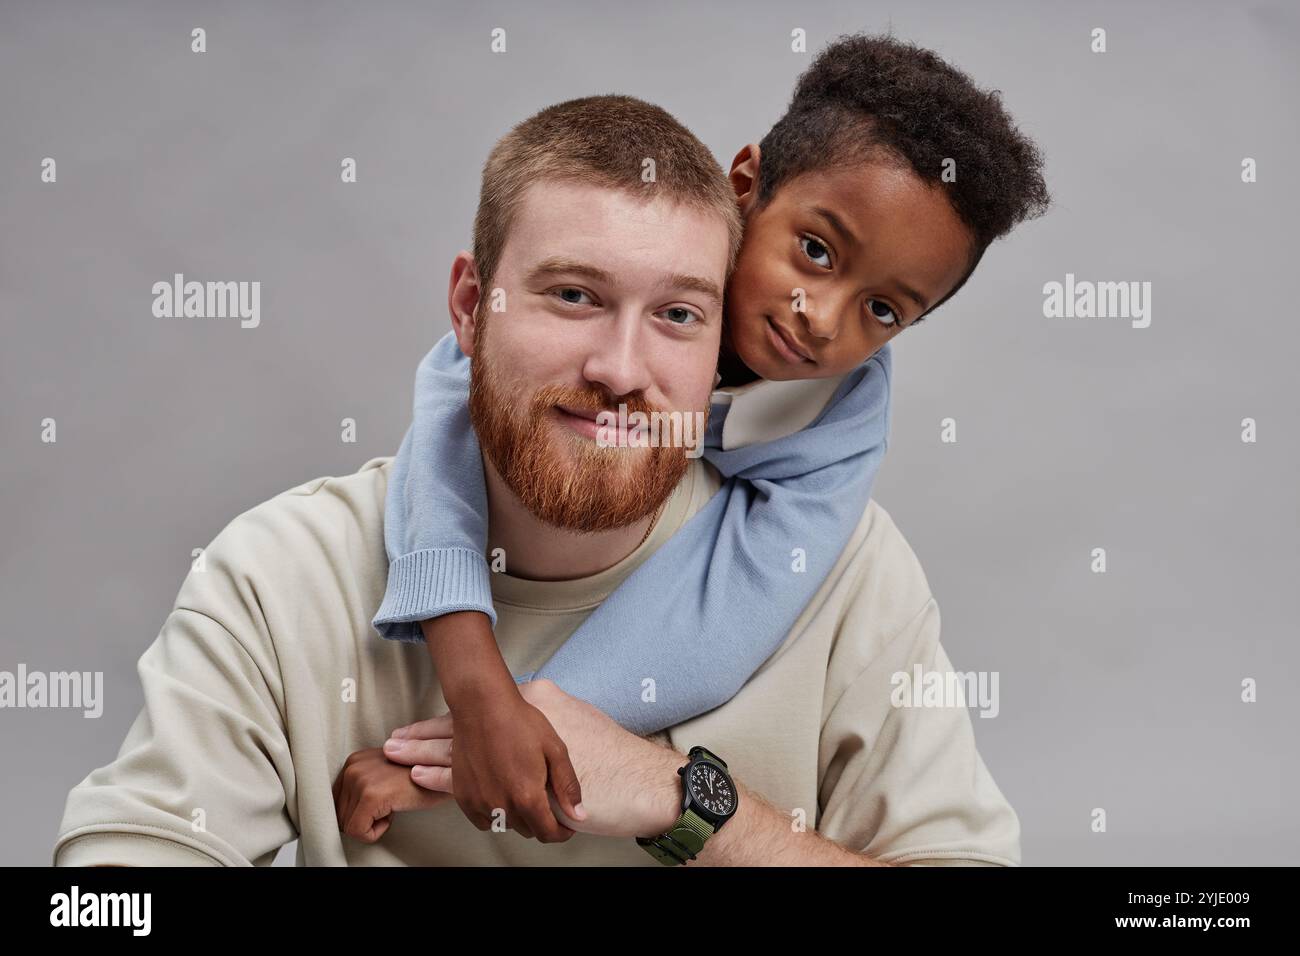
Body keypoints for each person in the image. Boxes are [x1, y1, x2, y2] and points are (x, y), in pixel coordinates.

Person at [55, 90, 1020, 866]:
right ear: (471, 308)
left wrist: (685, 802)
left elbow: (733, 606)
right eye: (573, 296)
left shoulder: (847, 564)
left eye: (681, 315)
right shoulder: (280, 577)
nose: (819, 318)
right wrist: (478, 702)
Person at [369, 33, 1049, 843]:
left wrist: (479, 746)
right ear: (744, 188)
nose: (821, 319)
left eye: (885, 310)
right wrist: (475, 688)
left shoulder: (838, 435)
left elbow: (717, 624)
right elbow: (449, 418)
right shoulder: (639, 245)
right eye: (816, 250)